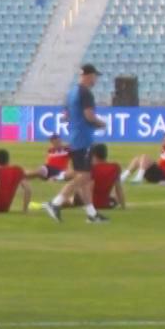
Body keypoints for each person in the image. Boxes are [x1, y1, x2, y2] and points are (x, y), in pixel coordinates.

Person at [45, 63, 108, 224]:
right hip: (83, 138)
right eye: (95, 76)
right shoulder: (86, 93)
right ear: (89, 76)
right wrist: (101, 124)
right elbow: (89, 116)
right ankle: (56, 203)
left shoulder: (72, 92)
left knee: (83, 178)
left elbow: (65, 116)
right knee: (84, 176)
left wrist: (76, 120)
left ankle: (91, 214)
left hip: (74, 138)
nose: (95, 80)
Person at [62, 143, 125, 213]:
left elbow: (67, 176)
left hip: (90, 202)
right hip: (105, 203)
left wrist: (71, 162)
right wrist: (123, 206)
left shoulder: (90, 169)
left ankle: (64, 201)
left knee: (78, 184)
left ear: (93, 155)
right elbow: (119, 189)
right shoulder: (115, 167)